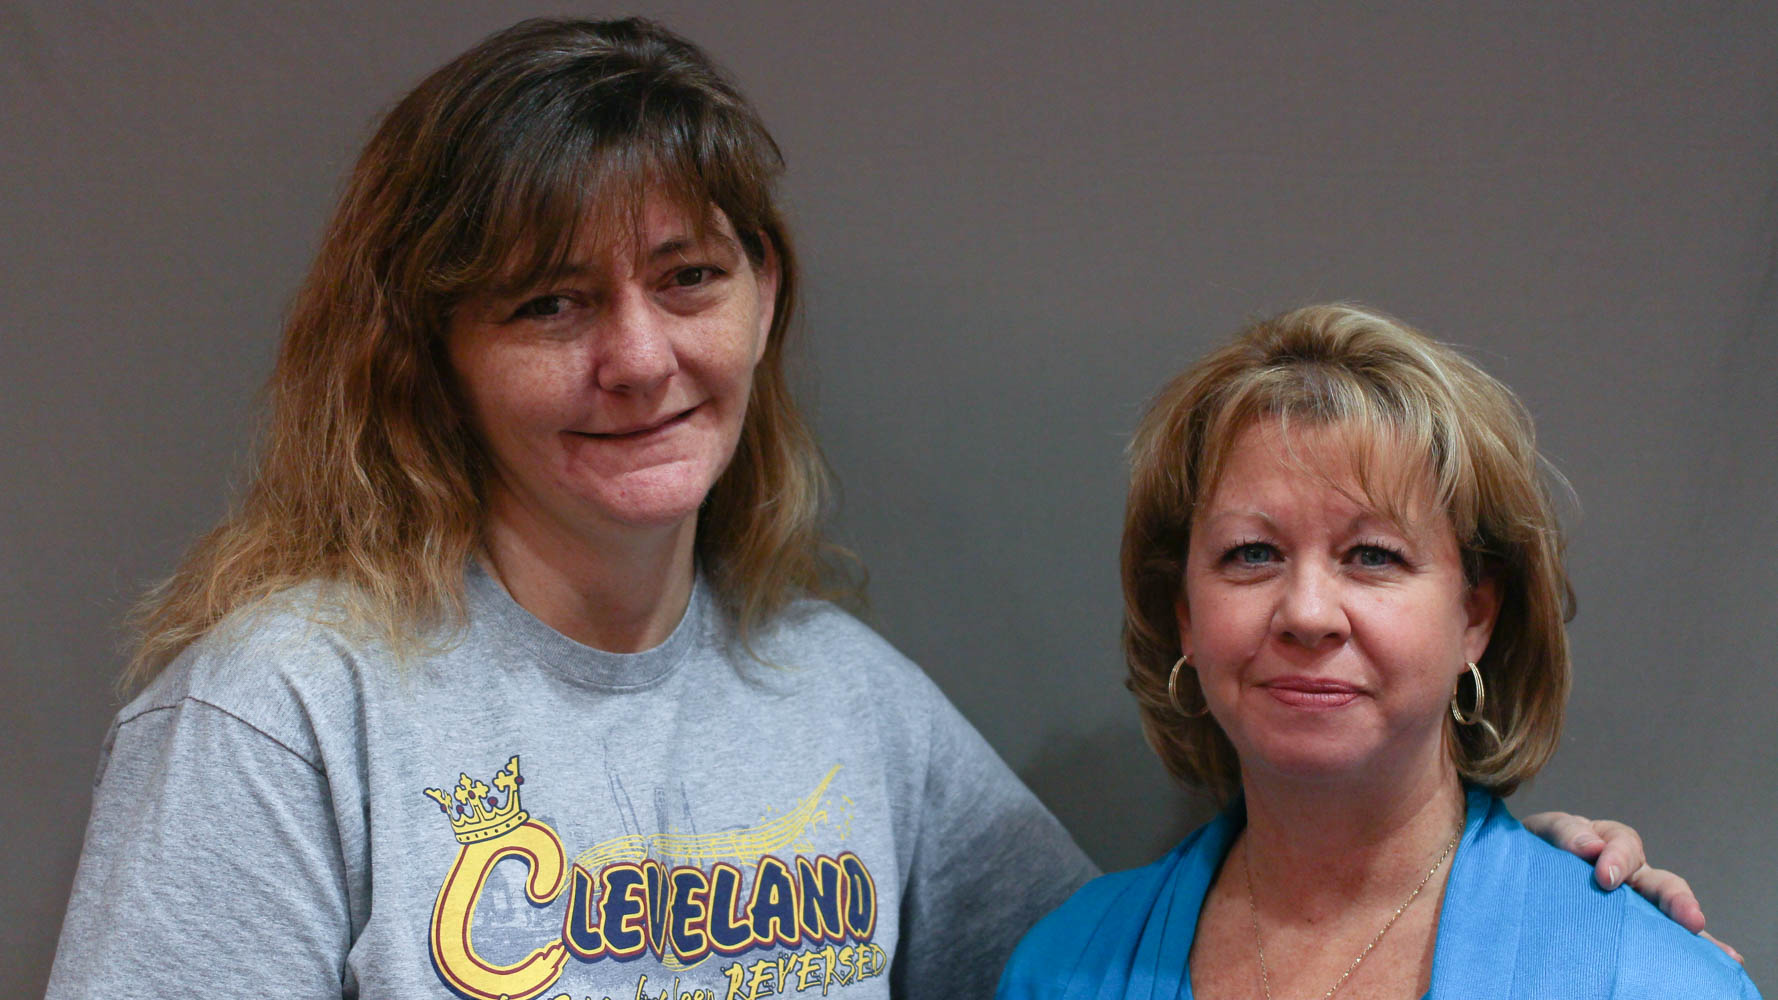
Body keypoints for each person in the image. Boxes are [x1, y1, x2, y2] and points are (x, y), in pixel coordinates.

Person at [44, 19, 1710, 1000]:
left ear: (763, 299)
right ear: (436, 352)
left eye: (686, 278)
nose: (638, 357)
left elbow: (1158, 948)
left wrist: (1495, 877)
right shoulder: (283, 708)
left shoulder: (847, 710)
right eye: (547, 304)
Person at [997, 305, 1761, 998]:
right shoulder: (1063, 967)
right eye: (1252, 553)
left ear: (1475, 616)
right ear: (1185, 617)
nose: (1306, 614)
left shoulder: (1644, 980)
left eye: (1373, 556)